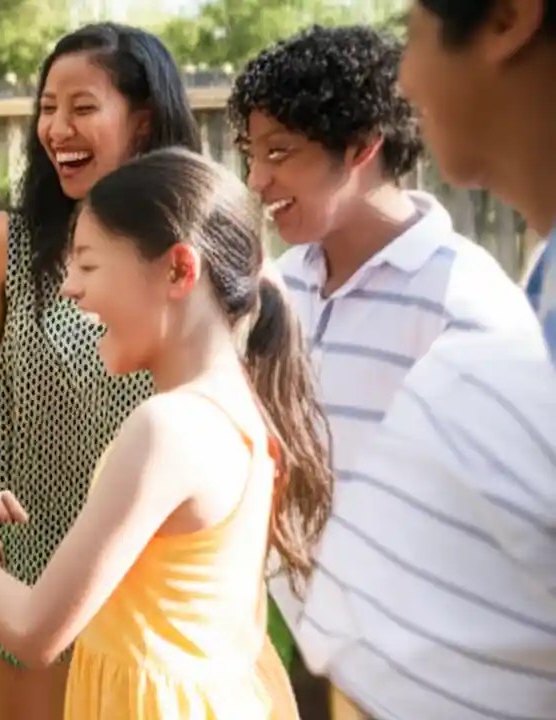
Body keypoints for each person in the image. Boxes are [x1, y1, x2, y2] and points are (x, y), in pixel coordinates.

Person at [0, 148, 331, 719]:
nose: (70, 290)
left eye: (87, 265)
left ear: (178, 270)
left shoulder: (167, 429)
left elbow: (35, 631)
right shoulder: (233, 401)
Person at [225, 23, 539, 704]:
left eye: (280, 153)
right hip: (301, 634)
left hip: (426, 663)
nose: (256, 179)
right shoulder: (281, 284)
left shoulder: (465, 301)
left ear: (363, 148)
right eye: (251, 154)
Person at [0, 23, 203, 717]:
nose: (57, 127)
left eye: (83, 107)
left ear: (143, 119)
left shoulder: (191, 257)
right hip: (23, 556)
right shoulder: (7, 244)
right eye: (48, 107)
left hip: (147, 574)